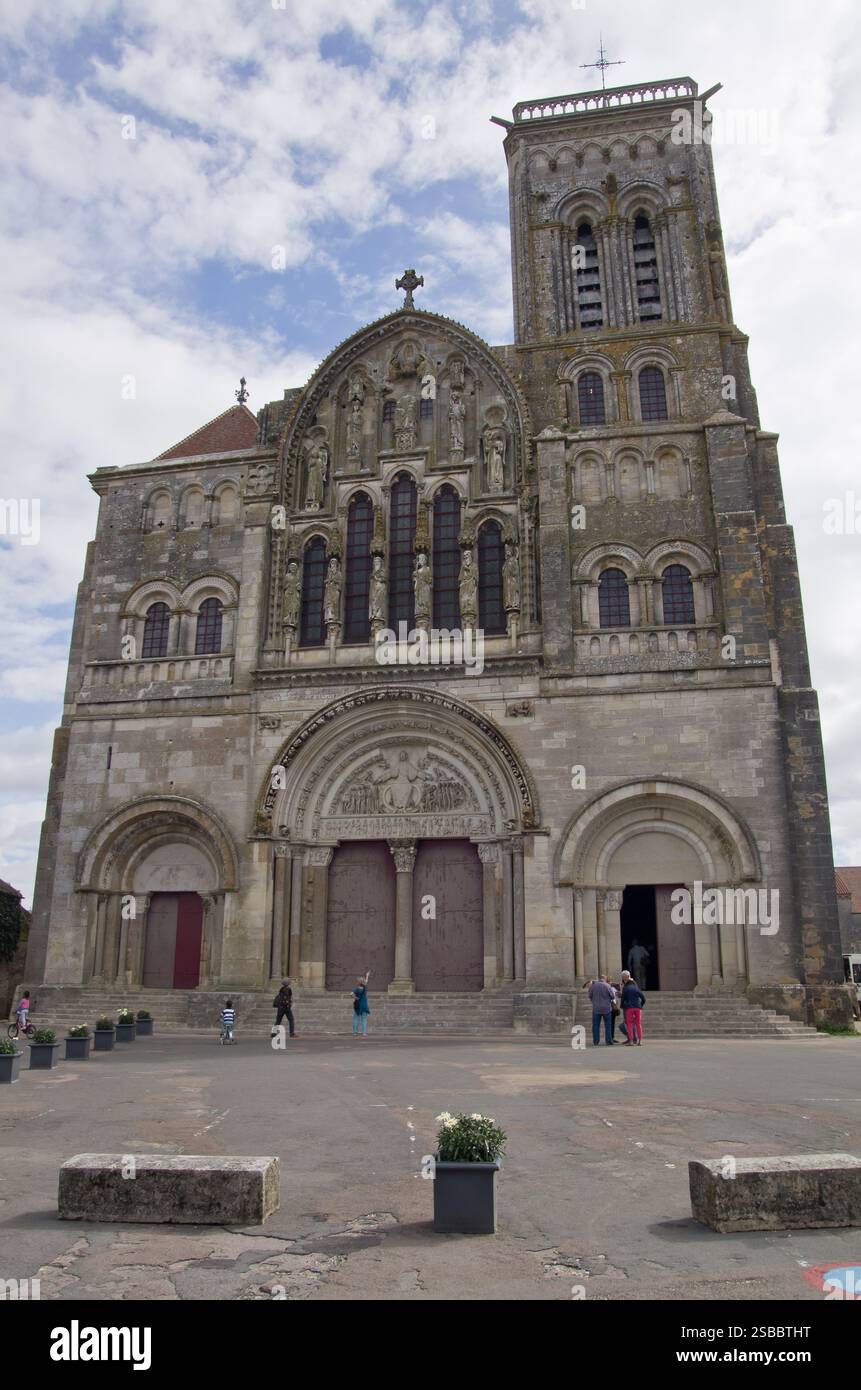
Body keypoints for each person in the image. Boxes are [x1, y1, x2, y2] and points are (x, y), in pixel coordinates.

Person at [620, 969, 646, 1046]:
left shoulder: (626, 988)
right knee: (638, 1024)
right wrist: (641, 1005)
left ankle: (631, 1041)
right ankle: (640, 1041)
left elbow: (623, 998)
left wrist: (621, 1006)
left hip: (629, 1008)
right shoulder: (636, 988)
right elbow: (643, 998)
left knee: (630, 1024)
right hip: (638, 1007)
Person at [587, 976, 615, 1046]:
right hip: (607, 1008)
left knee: (595, 1026)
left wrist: (594, 1000)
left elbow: (589, 995)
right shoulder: (607, 985)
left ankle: (596, 1041)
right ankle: (608, 1041)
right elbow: (612, 996)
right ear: (604, 979)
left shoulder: (593, 986)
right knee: (608, 1025)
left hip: (596, 1008)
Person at [352, 971, 370, 1038]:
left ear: (358, 982)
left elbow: (351, 994)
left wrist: (356, 998)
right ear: (363, 982)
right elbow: (366, 982)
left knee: (356, 1019)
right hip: (364, 1005)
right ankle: (364, 1033)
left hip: (358, 1005)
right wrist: (367, 975)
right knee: (364, 1019)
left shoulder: (356, 989)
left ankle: (355, 1033)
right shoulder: (365, 988)